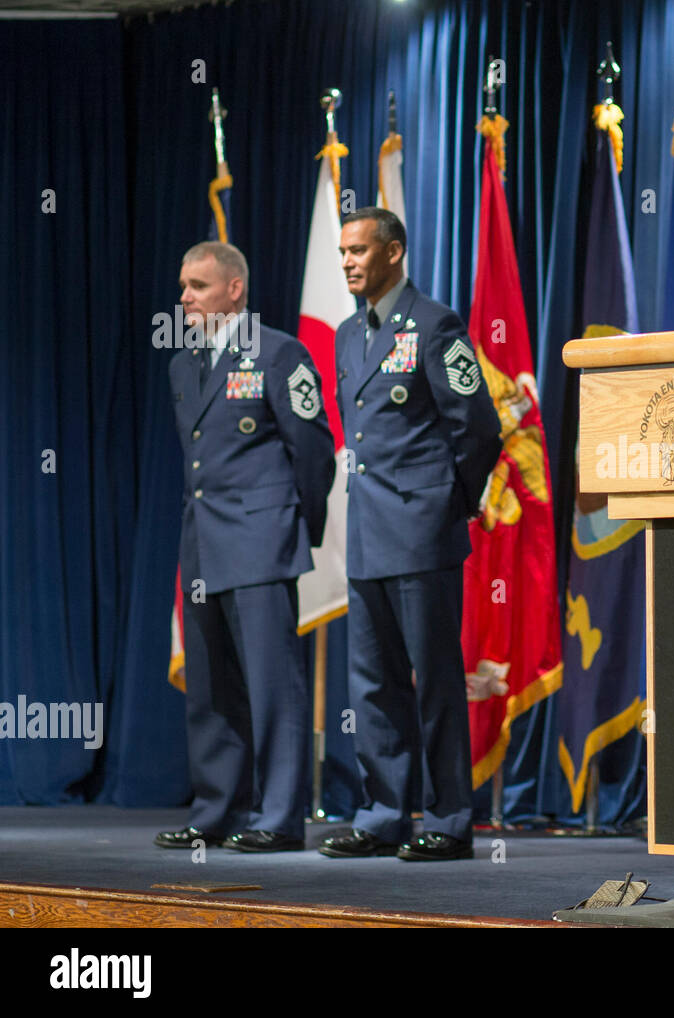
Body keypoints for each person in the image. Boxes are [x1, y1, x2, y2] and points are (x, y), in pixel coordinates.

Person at [319, 208, 501, 861]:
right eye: (341, 252)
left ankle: (449, 818)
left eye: (358, 250)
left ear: (394, 252)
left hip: (420, 529)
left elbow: (478, 427)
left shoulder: (435, 323)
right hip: (367, 528)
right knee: (373, 682)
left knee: (435, 678)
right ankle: (383, 812)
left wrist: (445, 503)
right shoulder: (346, 335)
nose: (347, 262)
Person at [158, 241, 335, 853]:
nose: (184, 298)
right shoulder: (182, 365)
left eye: (198, 286)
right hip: (203, 545)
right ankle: (216, 810)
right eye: (183, 286)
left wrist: (296, 526)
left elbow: (313, 451)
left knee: (271, 686)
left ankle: (280, 816)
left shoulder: (281, 352)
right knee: (210, 689)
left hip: (261, 540)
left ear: (235, 289)